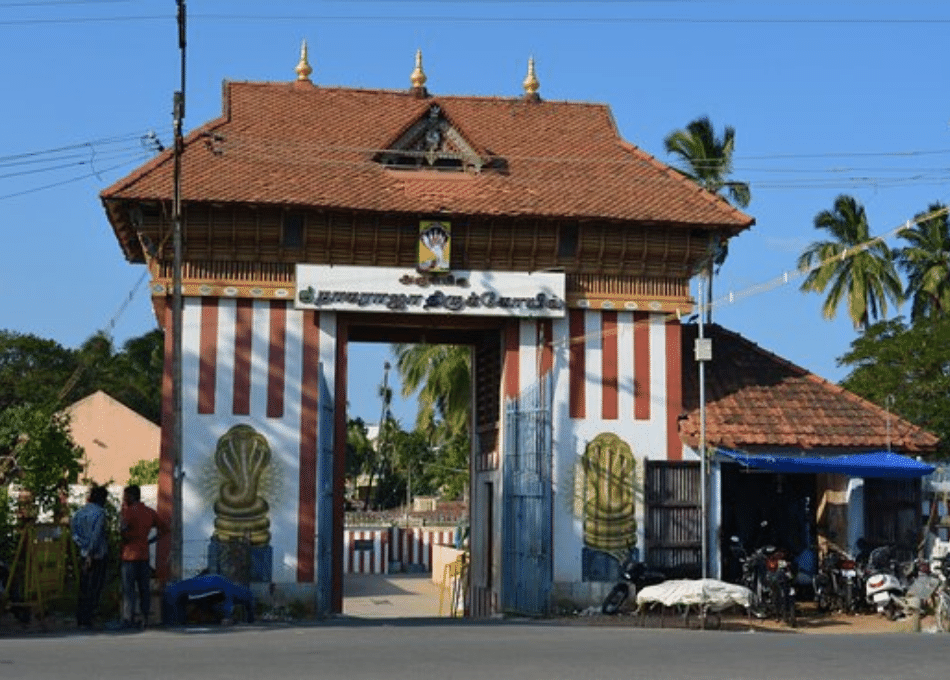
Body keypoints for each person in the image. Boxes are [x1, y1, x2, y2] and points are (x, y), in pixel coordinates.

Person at [120, 484, 165, 629]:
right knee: (144, 589)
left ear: (131, 496)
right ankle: (145, 618)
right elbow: (165, 529)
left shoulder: (128, 512)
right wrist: (150, 540)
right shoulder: (149, 512)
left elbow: (123, 529)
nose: (124, 499)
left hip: (129, 555)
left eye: (125, 496)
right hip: (144, 555)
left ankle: (129, 617)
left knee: (129, 590)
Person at [70, 485, 109, 629]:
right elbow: (97, 535)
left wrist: (83, 548)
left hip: (83, 553)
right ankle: (88, 618)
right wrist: (91, 553)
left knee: (84, 586)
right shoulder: (100, 513)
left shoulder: (79, 513)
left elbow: (75, 534)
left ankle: (80, 618)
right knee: (95, 587)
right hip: (97, 555)